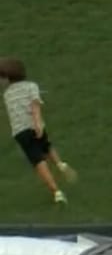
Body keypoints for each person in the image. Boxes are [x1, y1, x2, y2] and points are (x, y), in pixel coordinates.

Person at [0, 57, 77, 205]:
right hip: (34, 126)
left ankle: (56, 192)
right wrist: (38, 124)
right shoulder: (31, 86)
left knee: (38, 161)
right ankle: (60, 164)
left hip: (20, 133)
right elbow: (35, 107)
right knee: (46, 145)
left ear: (7, 77)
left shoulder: (7, 94)